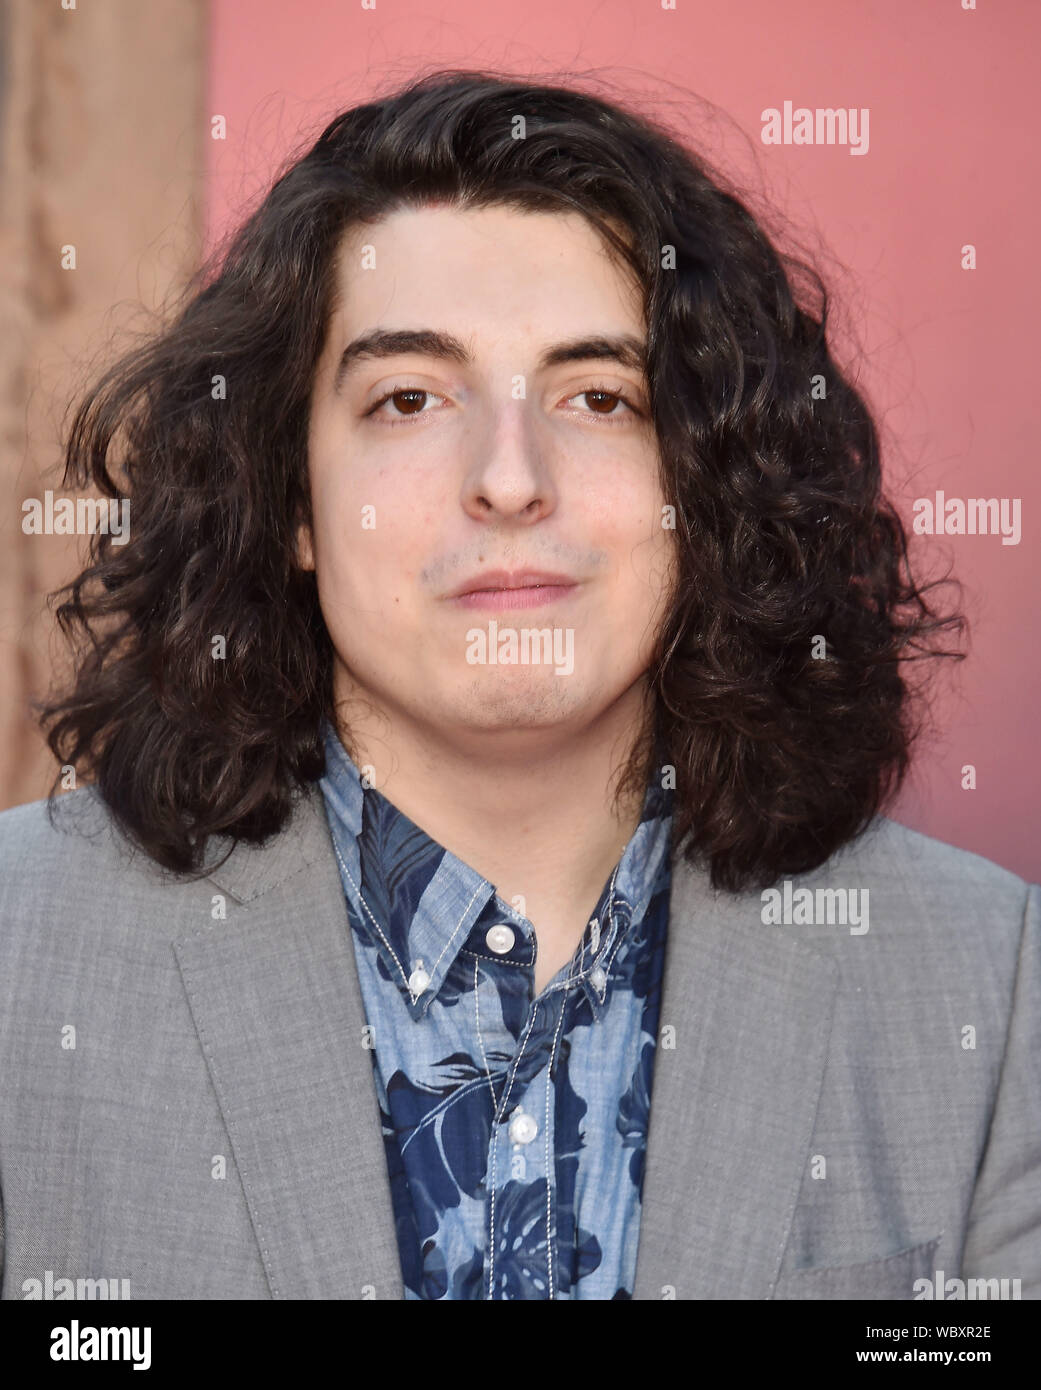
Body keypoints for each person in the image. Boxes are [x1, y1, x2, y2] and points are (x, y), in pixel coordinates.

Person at [0, 68, 1037, 1302]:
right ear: (292, 502)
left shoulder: (991, 982)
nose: (508, 477)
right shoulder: (21, 959)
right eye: (408, 398)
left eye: (598, 397)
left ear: (703, 487)